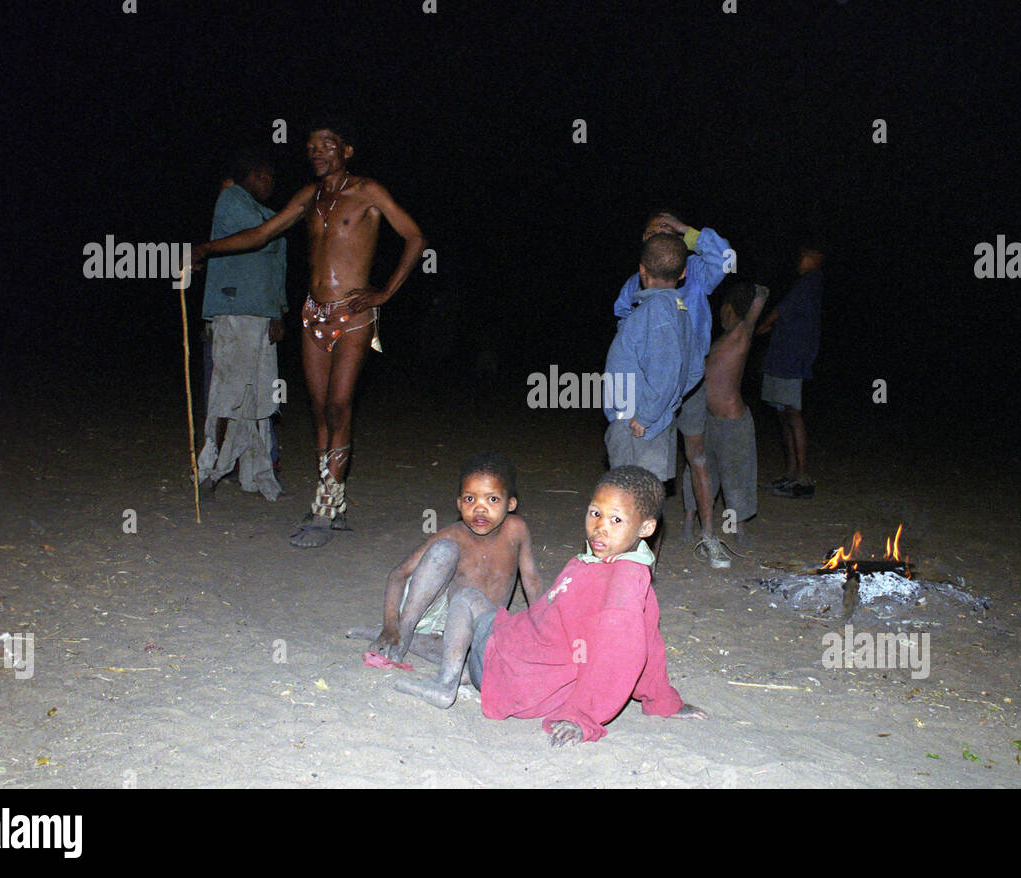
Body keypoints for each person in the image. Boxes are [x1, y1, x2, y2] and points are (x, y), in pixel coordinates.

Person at [191, 119, 425, 547]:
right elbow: (261, 234)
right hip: (312, 313)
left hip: (352, 313)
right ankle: (330, 499)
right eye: (311, 146)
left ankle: (325, 505)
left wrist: (384, 292)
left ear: (346, 150)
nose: (317, 152)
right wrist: (207, 248)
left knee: (339, 405)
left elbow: (414, 236)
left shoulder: (368, 191)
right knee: (318, 410)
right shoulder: (308, 197)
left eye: (327, 145)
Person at [395, 466, 708, 745]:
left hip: (507, 674)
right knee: (476, 614)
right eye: (595, 513)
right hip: (510, 661)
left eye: (616, 519)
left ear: (646, 528)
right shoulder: (610, 565)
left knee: (465, 599)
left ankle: (446, 682)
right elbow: (649, 644)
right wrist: (664, 701)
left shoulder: (624, 580)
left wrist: (581, 717)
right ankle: (446, 666)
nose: (600, 527)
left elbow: (620, 655)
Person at [614, 211, 732, 551]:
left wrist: (686, 230)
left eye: (668, 231)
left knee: (697, 456)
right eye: (654, 230)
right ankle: (633, 541)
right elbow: (622, 317)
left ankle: (708, 535)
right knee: (643, 462)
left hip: (689, 385)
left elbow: (725, 257)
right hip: (650, 387)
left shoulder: (695, 272)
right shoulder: (634, 284)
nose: (660, 234)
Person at [359, 453, 543, 666]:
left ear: (510, 504)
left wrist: (541, 627)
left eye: (492, 499)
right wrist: (390, 625)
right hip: (440, 619)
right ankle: (404, 633)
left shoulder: (516, 530)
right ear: (458, 503)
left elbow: (532, 580)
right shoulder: (454, 534)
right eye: (469, 499)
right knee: (443, 550)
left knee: (468, 654)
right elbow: (398, 574)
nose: (480, 508)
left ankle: (404, 639)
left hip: (480, 627)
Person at [196, 147, 286, 501]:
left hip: (262, 312)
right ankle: (209, 469)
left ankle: (254, 469)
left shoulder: (265, 214)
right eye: (261, 176)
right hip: (234, 307)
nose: (268, 182)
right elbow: (259, 234)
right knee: (227, 394)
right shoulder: (233, 198)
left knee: (259, 397)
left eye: (271, 178)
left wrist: (279, 310)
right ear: (246, 176)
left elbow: (276, 262)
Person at [683, 280, 769, 567]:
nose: (720, 317)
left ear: (729, 310)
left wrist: (759, 295)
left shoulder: (740, 335)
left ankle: (739, 528)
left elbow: (754, 313)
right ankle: (689, 522)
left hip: (733, 423)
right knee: (698, 472)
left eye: (722, 311)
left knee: (737, 477)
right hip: (708, 419)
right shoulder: (722, 340)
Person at [602, 234, 693, 489]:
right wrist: (667, 403)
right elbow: (693, 369)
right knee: (643, 498)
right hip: (652, 418)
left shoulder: (657, 311)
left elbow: (666, 371)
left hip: (638, 424)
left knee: (628, 496)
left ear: (642, 270)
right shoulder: (679, 311)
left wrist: (646, 415)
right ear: (683, 273)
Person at [758, 240, 825, 497]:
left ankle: (802, 477)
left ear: (817, 255)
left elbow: (780, 311)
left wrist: (760, 325)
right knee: (783, 415)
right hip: (781, 359)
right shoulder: (805, 283)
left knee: (792, 414)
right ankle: (790, 473)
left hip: (792, 361)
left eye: (805, 254)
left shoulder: (811, 281)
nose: (800, 260)